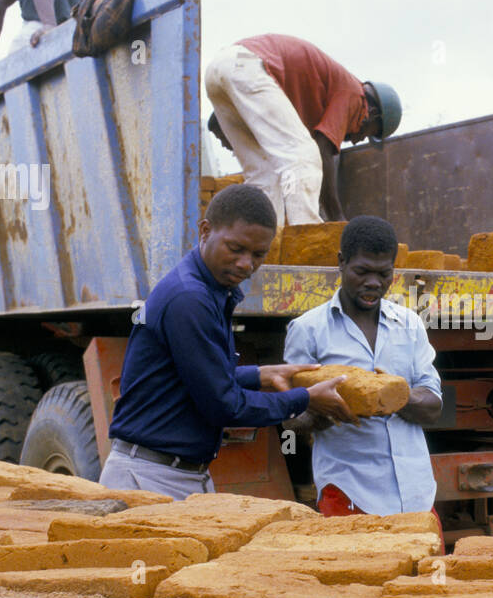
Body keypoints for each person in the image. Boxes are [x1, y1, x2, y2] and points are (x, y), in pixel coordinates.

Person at [100, 184, 353, 499]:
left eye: (258, 254)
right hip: (150, 478)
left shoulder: (210, 290)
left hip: (180, 474)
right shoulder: (189, 299)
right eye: (236, 249)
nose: (247, 264)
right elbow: (224, 406)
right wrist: (304, 398)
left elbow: (195, 378)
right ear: (205, 231)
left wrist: (261, 375)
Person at [283, 215, 443, 519]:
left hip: (416, 495)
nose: (373, 283)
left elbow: (433, 407)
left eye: (384, 274)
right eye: (362, 271)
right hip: (348, 494)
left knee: (429, 568)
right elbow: (290, 421)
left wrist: (392, 397)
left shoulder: (409, 324)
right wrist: (330, 410)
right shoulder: (308, 330)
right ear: (341, 262)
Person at [204, 34, 402, 228]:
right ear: (373, 113)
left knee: (263, 174)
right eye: (367, 133)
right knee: (303, 155)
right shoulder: (354, 94)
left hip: (219, 68)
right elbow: (322, 149)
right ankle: (305, 233)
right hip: (247, 65)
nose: (358, 140)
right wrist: (336, 218)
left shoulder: (326, 92)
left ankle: (267, 248)